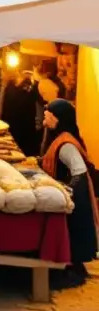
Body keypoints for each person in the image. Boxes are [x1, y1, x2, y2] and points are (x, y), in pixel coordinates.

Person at [41, 99, 99, 288]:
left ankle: (71, 270)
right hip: (68, 196)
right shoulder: (62, 138)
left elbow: (79, 174)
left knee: (71, 236)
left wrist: (65, 193)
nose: (44, 123)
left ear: (59, 120)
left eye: (48, 119)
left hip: (74, 201)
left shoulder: (66, 145)